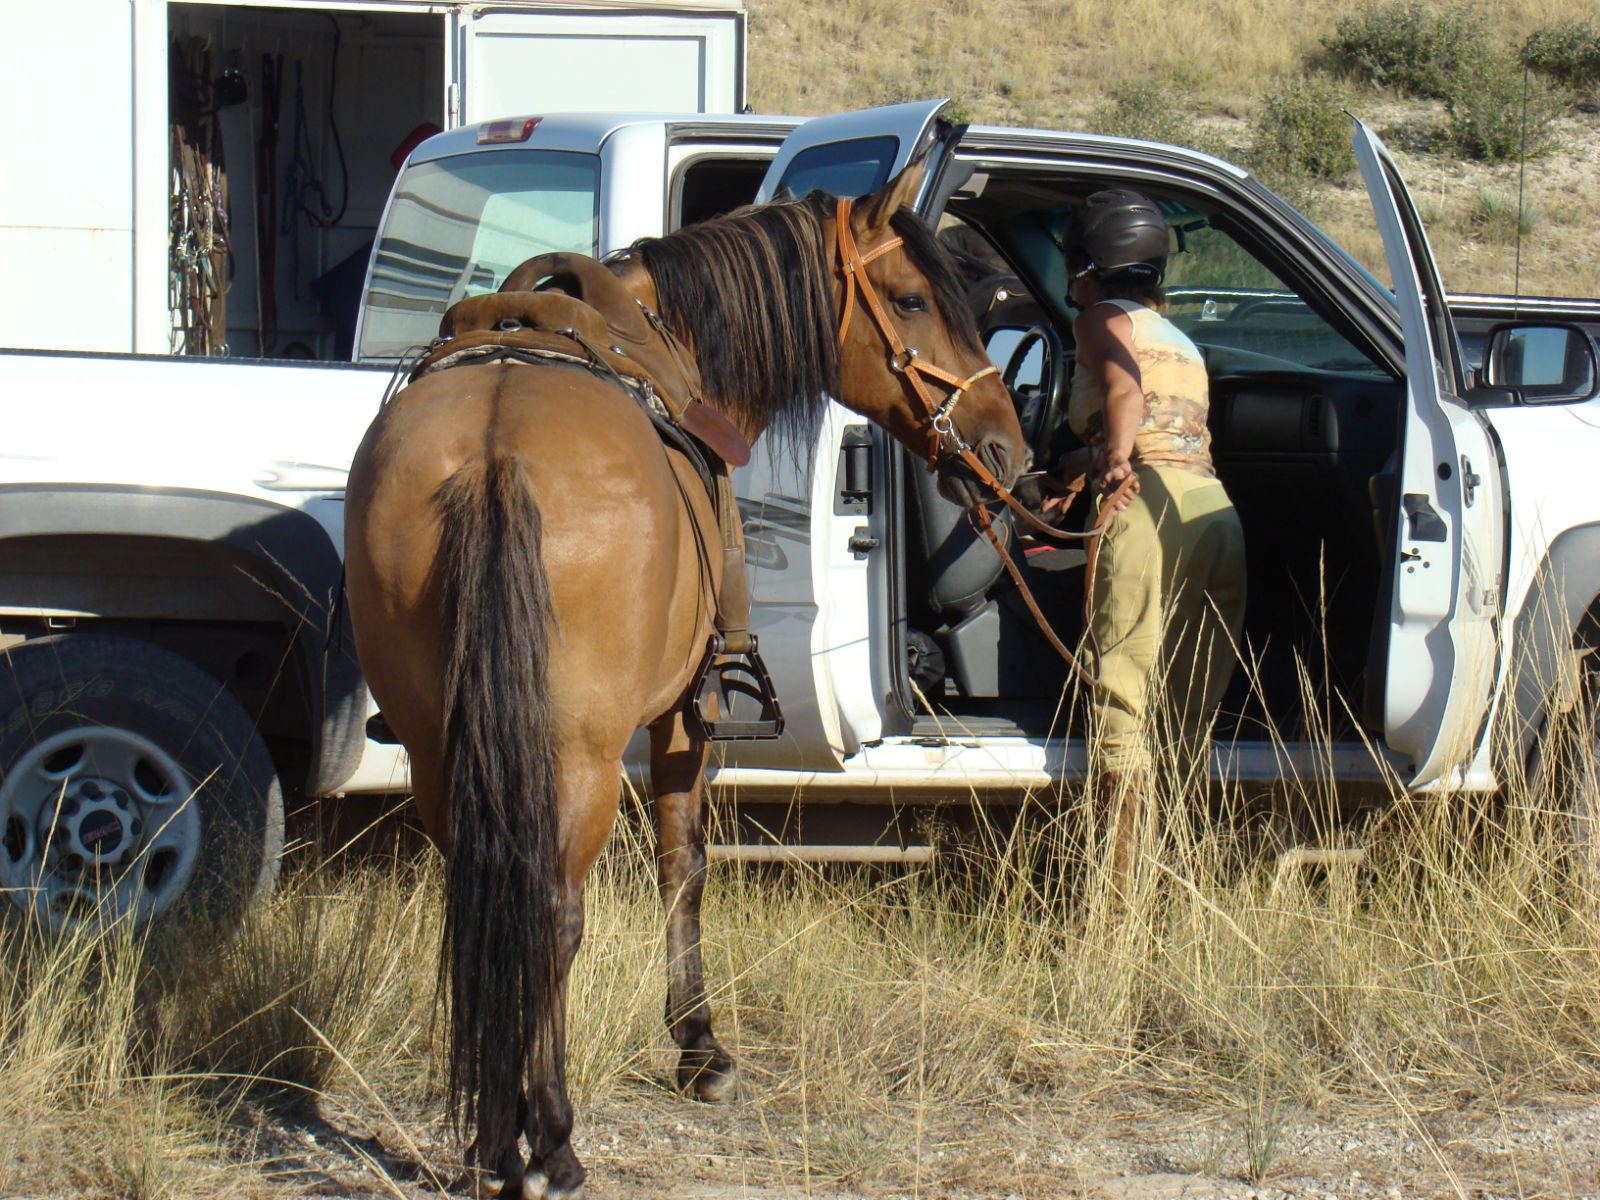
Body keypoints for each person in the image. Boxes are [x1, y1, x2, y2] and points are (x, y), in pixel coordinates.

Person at [1054, 189, 1246, 901]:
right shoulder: (1180, 337)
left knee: (1122, 706)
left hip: (1147, 514)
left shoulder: (1101, 317)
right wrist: (1076, 469)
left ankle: (1117, 899)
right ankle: (1179, 883)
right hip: (1213, 514)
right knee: (1186, 713)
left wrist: (1114, 463)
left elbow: (1124, 395)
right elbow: (1170, 423)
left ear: (1088, 265)